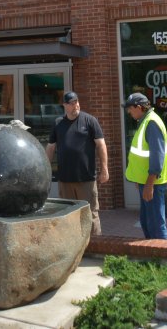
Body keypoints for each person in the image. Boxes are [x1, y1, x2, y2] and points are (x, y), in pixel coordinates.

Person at [45, 91, 109, 234]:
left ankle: (95, 247)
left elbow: (101, 145)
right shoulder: (58, 123)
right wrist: (45, 168)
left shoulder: (90, 121)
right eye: (72, 103)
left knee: (90, 214)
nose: (76, 105)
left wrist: (104, 169)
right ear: (65, 106)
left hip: (86, 179)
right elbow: (50, 147)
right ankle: (74, 250)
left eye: (77, 102)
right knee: (67, 215)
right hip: (65, 179)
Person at [123, 92, 167, 239]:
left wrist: (149, 184)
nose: (128, 112)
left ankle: (162, 257)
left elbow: (157, 155)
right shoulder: (146, 121)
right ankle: (153, 256)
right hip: (146, 181)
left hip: (152, 183)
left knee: (155, 223)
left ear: (139, 107)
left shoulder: (151, 122)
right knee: (147, 221)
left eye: (130, 108)